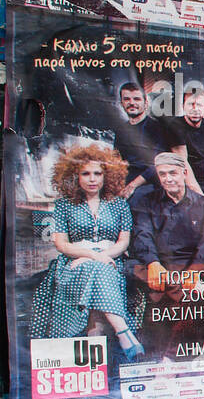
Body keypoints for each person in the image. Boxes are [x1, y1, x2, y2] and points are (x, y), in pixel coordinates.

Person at [31, 143, 143, 359]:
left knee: (98, 275)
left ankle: (98, 362)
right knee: (95, 268)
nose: (92, 179)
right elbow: (61, 244)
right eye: (86, 173)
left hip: (111, 262)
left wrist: (102, 256)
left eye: (97, 173)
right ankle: (124, 332)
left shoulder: (119, 204)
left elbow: (123, 242)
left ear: (106, 176)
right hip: (74, 264)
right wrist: (92, 254)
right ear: (76, 176)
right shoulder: (64, 205)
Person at [129, 152, 204, 299]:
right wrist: (153, 263)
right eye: (163, 174)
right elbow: (142, 234)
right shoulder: (146, 202)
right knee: (130, 268)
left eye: (173, 173)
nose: (168, 179)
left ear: (184, 173)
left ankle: (182, 285)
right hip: (158, 264)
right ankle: (196, 288)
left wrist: (195, 269)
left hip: (190, 264)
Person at [114, 82, 186, 205]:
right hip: (126, 179)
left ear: (145, 103)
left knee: (136, 200)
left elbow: (157, 165)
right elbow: (117, 161)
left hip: (149, 182)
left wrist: (132, 186)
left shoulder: (156, 128)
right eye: (127, 99)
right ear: (121, 103)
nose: (132, 103)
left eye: (136, 99)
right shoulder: (121, 130)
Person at [169, 85, 204, 200]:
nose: (195, 108)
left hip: (202, 184)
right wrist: (202, 199)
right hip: (180, 184)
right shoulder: (175, 125)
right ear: (183, 107)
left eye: (199, 104)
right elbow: (182, 163)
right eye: (191, 104)